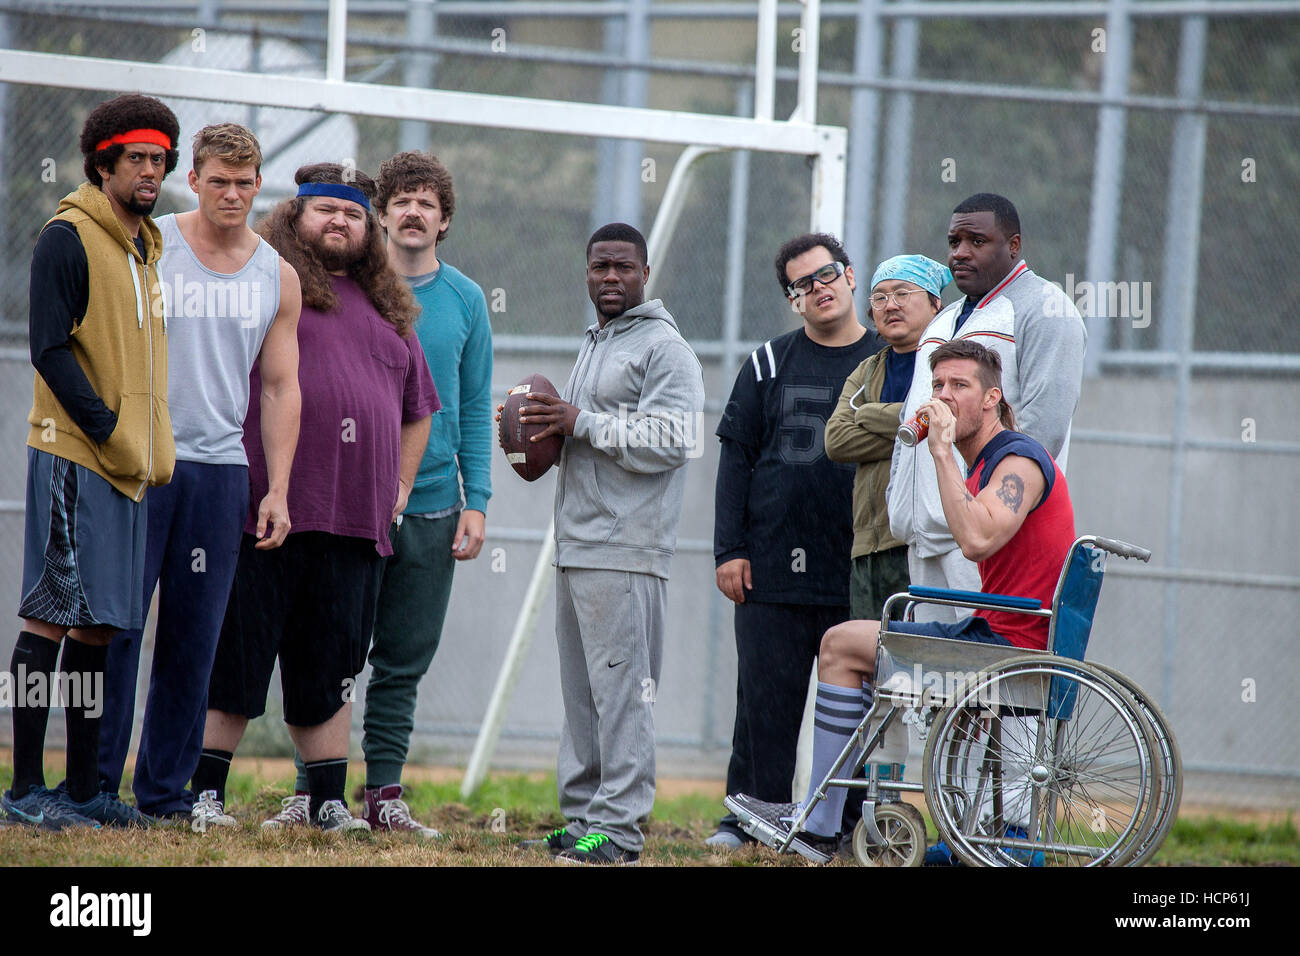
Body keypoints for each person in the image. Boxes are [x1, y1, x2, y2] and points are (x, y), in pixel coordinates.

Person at [726, 338, 1076, 862]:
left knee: (841, 645)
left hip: (1009, 647)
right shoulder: (988, 462)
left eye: (960, 386)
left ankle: (819, 825)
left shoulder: (1018, 460)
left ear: (991, 399)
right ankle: (860, 819)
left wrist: (938, 451)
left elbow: (977, 539)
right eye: (937, 385)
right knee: (857, 640)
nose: (944, 396)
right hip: (1001, 635)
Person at [192, 163, 438, 833]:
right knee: (235, 659)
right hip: (264, 512)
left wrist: (403, 485)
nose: (340, 222)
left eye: (354, 214)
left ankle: (329, 803)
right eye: (326, 210)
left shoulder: (391, 310)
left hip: (355, 522)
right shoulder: (265, 283)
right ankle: (204, 794)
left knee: (332, 667)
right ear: (295, 218)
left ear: (370, 228)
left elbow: (420, 408)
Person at [279, 150, 490, 837]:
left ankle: (385, 795)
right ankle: (315, 793)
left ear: (444, 219)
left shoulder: (464, 300)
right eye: (399, 199)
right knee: (323, 651)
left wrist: (476, 500)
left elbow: (473, 402)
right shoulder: (338, 287)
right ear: (381, 214)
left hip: (428, 505)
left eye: (427, 202)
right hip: (344, 499)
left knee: (401, 657)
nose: (412, 211)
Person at [96, 124, 301, 825]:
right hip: (141, 462)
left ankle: (165, 794)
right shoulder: (150, 247)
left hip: (220, 475)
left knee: (194, 638)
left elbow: (279, 388)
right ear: (195, 180)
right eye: (221, 181)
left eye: (247, 183)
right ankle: (94, 788)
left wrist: (275, 487)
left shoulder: (277, 273)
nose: (234, 194)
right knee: (117, 628)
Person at [2, 94, 179, 829]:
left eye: (160, 159)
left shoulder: (143, 247)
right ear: (103, 163)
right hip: (78, 455)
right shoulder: (67, 237)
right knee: (50, 617)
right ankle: (24, 793)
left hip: (127, 466)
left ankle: (83, 793)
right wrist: (107, 430)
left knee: (101, 626)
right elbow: (49, 348)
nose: (149, 170)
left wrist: (139, 447)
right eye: (135, 157)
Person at [512, 222, 704, 864]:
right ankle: (586, 819)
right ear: (587, 272)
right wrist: (547, 434)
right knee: (586, 697)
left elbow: (678, 441)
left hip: (626, 550)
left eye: (624, 266)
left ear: (646, 274)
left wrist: (580, 421)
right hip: (578, 545)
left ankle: (618, 833)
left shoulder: (665, 347)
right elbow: (593, 436)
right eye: (600, 267)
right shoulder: (598, 341)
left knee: (623, 697)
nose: (611, 277)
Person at [707, 233, 880, 848]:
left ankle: (848, 824)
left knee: (858, 708)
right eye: (802, 284)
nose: (818, 288)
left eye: (826, 274)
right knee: (764, 700)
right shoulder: (769, 362)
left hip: (859, 568)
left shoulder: (892, 360)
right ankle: (747, 818)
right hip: (773, 563)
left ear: (852, 276)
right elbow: (736, 459)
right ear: (792, 300)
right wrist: (730, 550)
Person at [887, 194, 1085, 623]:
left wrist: (985, 509)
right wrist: (900, 502)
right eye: (954, 241)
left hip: (986, 538)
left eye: (976, 240)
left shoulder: (1047, 310)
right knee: (929, 681)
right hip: (925, 536)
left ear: (1013, 246)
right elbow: (912, 416)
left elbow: (1041, 430)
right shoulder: (945, 318)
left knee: (986, 681)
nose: (960, 252)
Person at [825, 254, 950, 621]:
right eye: (879, 297)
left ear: (935, 303)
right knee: (869, 663)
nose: (890, 304)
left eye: (902, 292)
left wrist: (865, 413)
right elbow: (836, 440)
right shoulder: (868, 369)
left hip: (927, 542)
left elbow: (949, 422)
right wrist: (913, 431)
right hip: (868, 545)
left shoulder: (949, 363)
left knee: (918, 665)